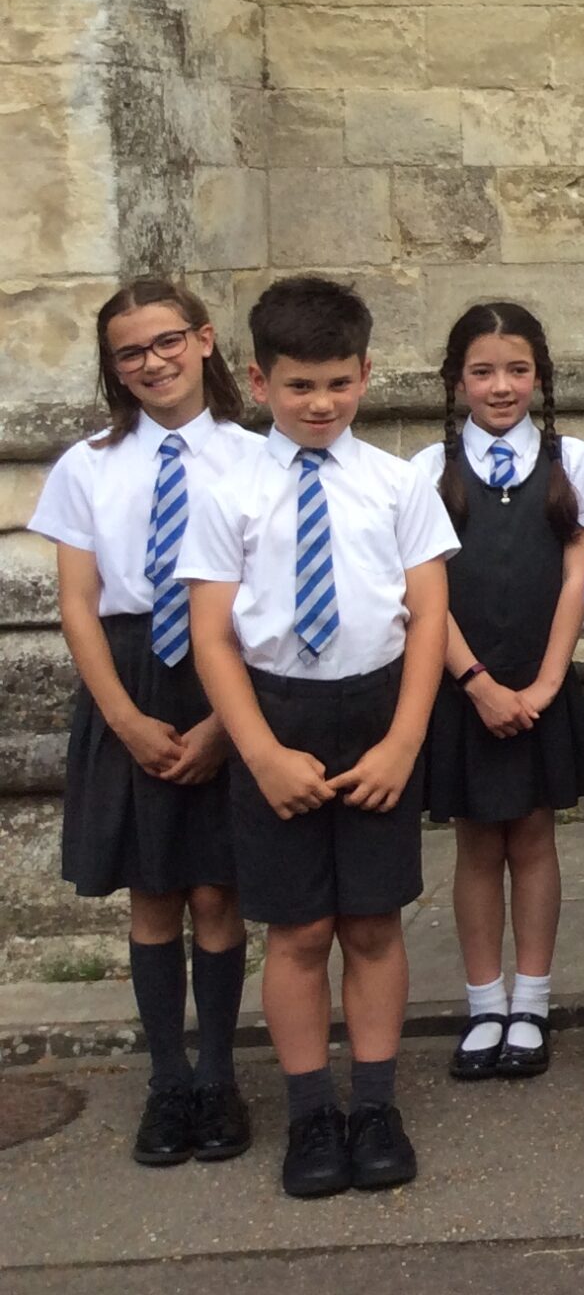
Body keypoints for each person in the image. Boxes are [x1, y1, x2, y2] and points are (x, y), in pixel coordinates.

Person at [179, 276, 459, 1198]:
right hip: (276, 714)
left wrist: (403, 742)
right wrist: (258, 753)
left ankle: (373, 1105)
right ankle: (310, 1114)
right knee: (298, 930)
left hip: (377, 711)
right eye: (300, 386)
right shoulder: (227, 491)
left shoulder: (396, 484)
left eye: (339, 383)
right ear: (260, 381)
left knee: (373, 922)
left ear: (366, 374)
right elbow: (213, 636)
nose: (321, 403)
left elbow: (428, 617)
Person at [31, 280, 261, 1167]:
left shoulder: (256, 457)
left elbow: (269, 590)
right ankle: (168, 1083)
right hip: (127, 677)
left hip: (226, 674)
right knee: (155, 892)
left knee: (216, 891)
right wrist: (123, 719)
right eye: (130, 352)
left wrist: (224, 726)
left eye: (167, 341)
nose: (153, 362)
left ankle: (218, 1078)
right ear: (113, 368)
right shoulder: (87, 466)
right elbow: (78, 604)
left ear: (203, 340)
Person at [412, 302, 584, 1085]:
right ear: (457, 379)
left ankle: (532, 1001)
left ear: (540, 376)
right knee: (475, 843)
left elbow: (578, 575)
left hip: (540, 681)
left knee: (532, 836)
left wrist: (548, 681)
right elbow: (423, 592)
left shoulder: (573, 461)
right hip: (463, 685)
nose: (501, 386)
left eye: (518, 370)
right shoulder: (425, 470)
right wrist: (477, 683)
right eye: (484, 371)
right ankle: (483, 1003)